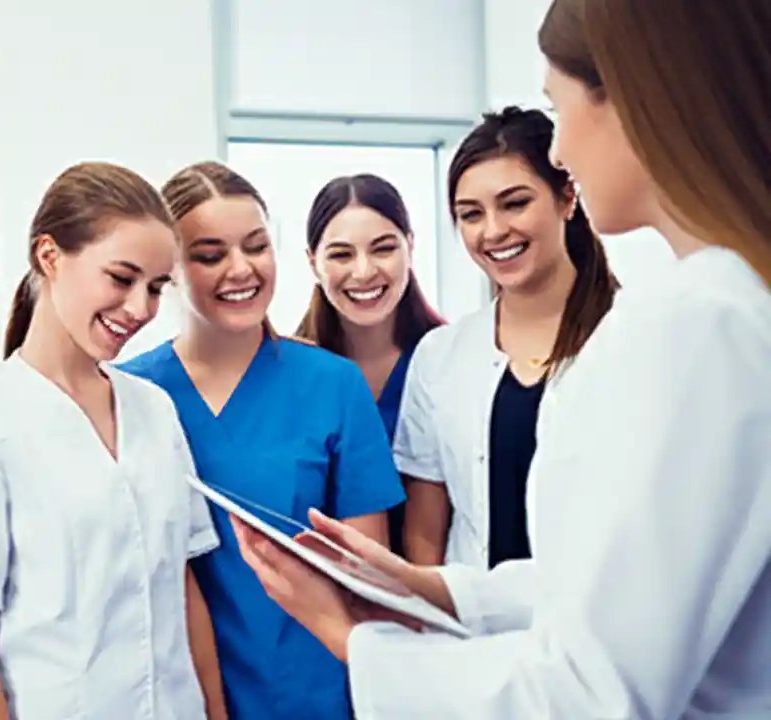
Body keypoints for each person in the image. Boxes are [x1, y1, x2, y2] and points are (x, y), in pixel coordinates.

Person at [233, 0, 771, 716]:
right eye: (469, 212)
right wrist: (424, 586)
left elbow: (584, 694)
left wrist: (350, 637)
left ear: (635, 101)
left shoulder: (697, 327)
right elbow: (592, 584)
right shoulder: (714, 309)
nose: (561, 150)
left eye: (559, 109)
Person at [0, 161, 227, 719]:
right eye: (121, 278)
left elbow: (181, 590)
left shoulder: (154, 409)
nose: (140, 309)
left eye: (156, 287)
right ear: (49, 256)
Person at [120, 161, 404, 720]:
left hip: (318, 694)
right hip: (175, 696)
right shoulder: (131, 394)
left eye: (256, 246)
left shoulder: (333, 385)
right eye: (210, 255)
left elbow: (369, 579)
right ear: (168, 267)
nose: (241, 269)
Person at [398, 106, 618, 570]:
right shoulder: (440, 356)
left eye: (515, 203)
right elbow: (424, 534)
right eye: (470, 214)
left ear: (567, 197)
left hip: (603, 610)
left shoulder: (631, 334)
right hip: (473, 615)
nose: (494, 231)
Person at [294, 174, 444, 555]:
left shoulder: (450, 360)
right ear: (313, 262)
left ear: (410, 247)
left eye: (383, 249)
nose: (363, 272)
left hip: (445, 578)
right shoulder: (291, 374)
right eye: (341, 255)